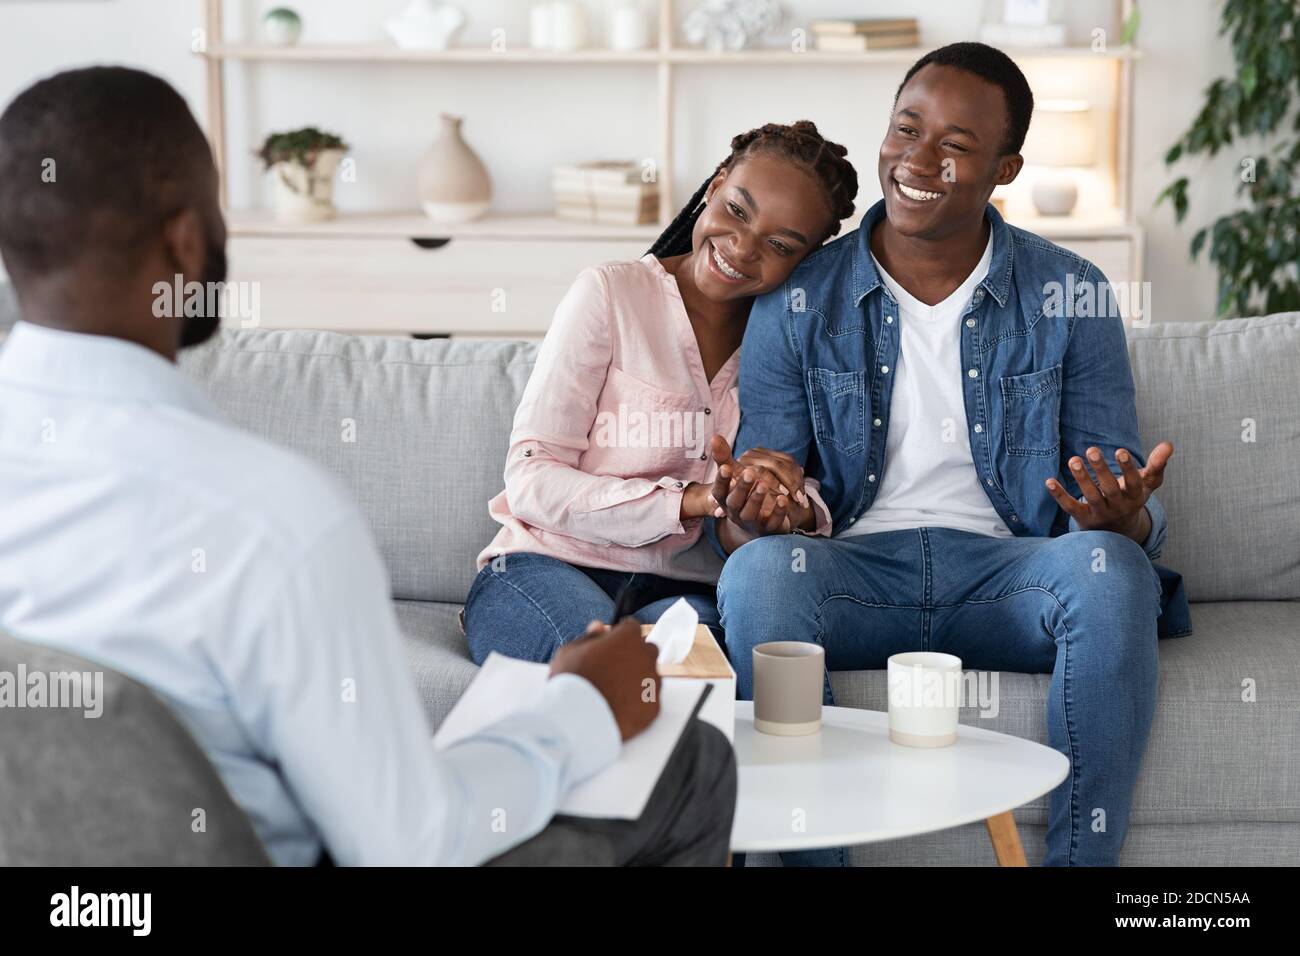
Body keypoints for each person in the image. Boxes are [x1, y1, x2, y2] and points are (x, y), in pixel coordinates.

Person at [0, 66, 735, 867]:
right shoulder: (270, 521)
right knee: (690, 763)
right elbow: (410, 843)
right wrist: (583, 707)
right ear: (183, 238)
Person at [707, 42, 1191, 867]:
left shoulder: (1070, 292)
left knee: (1114, 574)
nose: (918, 160)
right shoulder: (795, 297)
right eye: (907, 129)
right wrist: (754, 514)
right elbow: (764, 503)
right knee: (757, 576)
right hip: (855, 577)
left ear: (1006, 166)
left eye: (957, 146)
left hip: (1012, 578)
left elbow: (1114, 495)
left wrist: (1121, 515)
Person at [463, 121, 859, 665]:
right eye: (737, 211)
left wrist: (781, 505)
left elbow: (798, 485)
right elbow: (532, 477)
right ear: (716, 184)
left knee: (714, 673)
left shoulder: (795, 344)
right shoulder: (611, 292)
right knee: (603, 669)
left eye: (780, 244)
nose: (741, 249)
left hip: (686, 592)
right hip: (547, 566)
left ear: (807, 258)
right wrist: (690, 499)